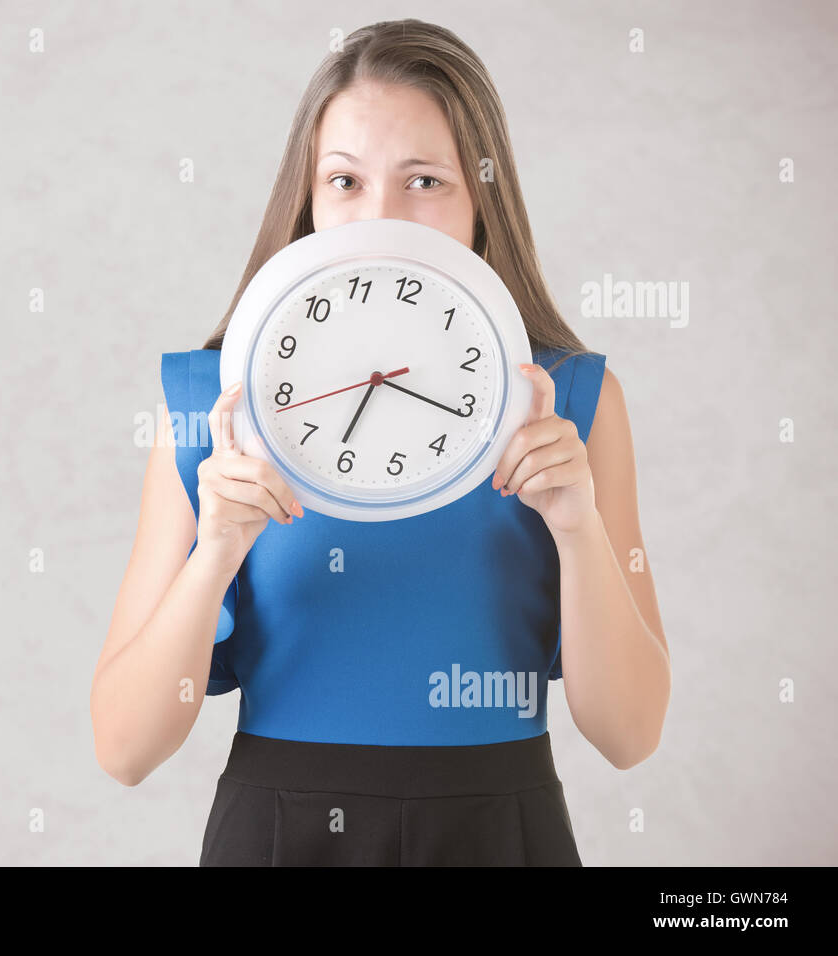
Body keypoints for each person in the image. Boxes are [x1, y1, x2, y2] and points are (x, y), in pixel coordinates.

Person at [90, 18, 671, 866]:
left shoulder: (575, 405)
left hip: (498, 833)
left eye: (425, 181)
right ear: (310, 203)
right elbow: (124, 748)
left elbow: (630, 735)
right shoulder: (208, 404)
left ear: (482, 201)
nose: (381, 218)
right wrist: (214, 552)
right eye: (346, 182)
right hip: (278, 836)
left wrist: (577, 529)